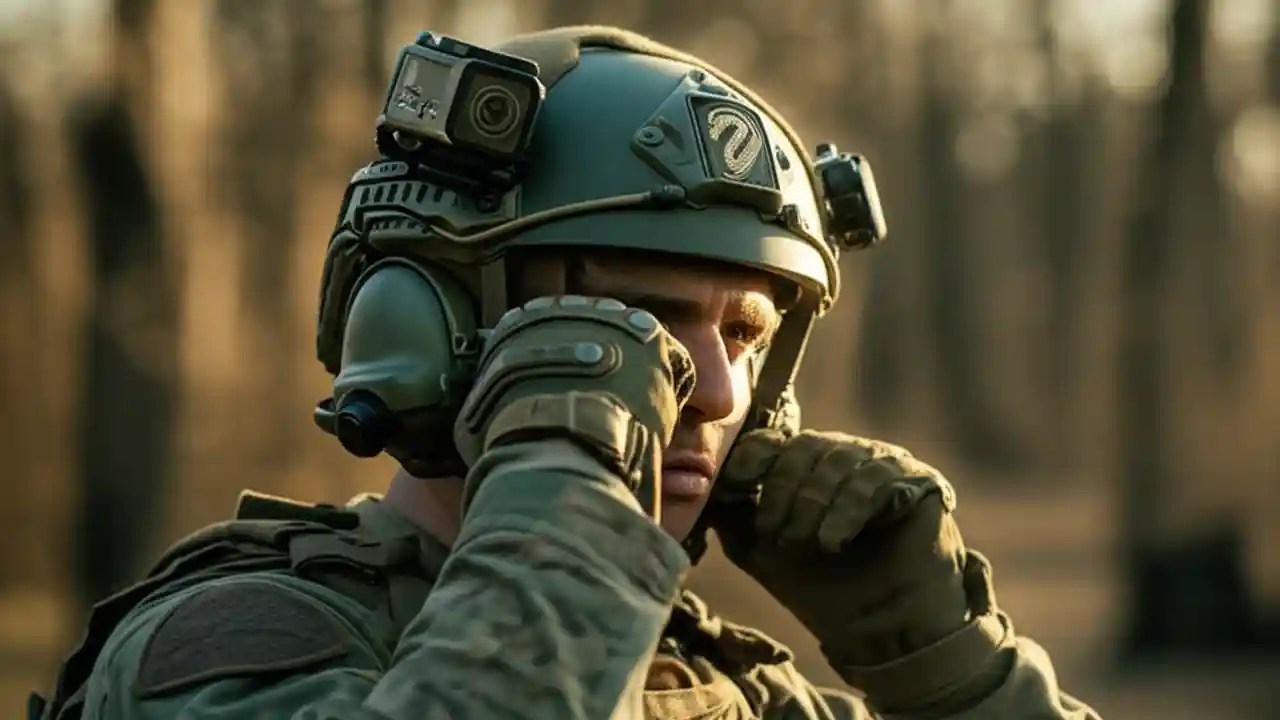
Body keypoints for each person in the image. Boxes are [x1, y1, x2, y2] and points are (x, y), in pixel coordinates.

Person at [33, 26, 1101, 720]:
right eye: (641, 322)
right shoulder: (235, 645)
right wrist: (568, 494)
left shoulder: (723, 689)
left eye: (743, 333)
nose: (718, 395)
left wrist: (942, 666)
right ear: (436, 321)